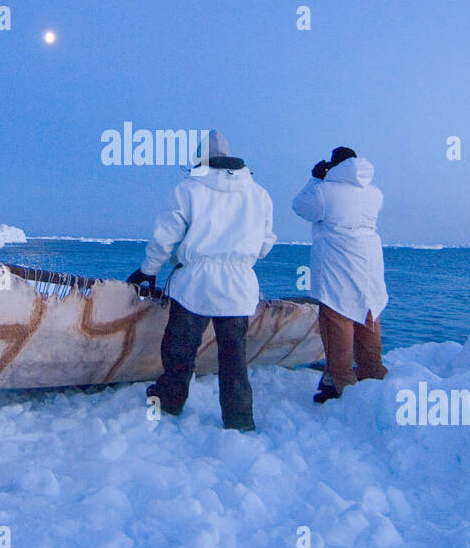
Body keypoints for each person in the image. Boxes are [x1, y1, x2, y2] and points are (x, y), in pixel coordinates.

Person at [126, 130, 276, 431]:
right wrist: (238, 258)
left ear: (200, 159)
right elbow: (265, 243)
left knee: (180, 347)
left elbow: (165, 237)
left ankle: (170, 400)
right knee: (234, 355)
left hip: (196, 283)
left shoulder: (188, 189)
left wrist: (149, 269)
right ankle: (239, 419)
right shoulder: (258, 193)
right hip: (239, 286)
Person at [292, 146, 389, 403]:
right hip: (369, 265)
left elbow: (300, 207)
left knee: (338, 324)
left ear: (334, 166)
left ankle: (342, 386)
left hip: (339, 266)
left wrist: (315, 178)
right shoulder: (375, 193)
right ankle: (374, 375)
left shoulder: (325, 192)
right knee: (368, 319)